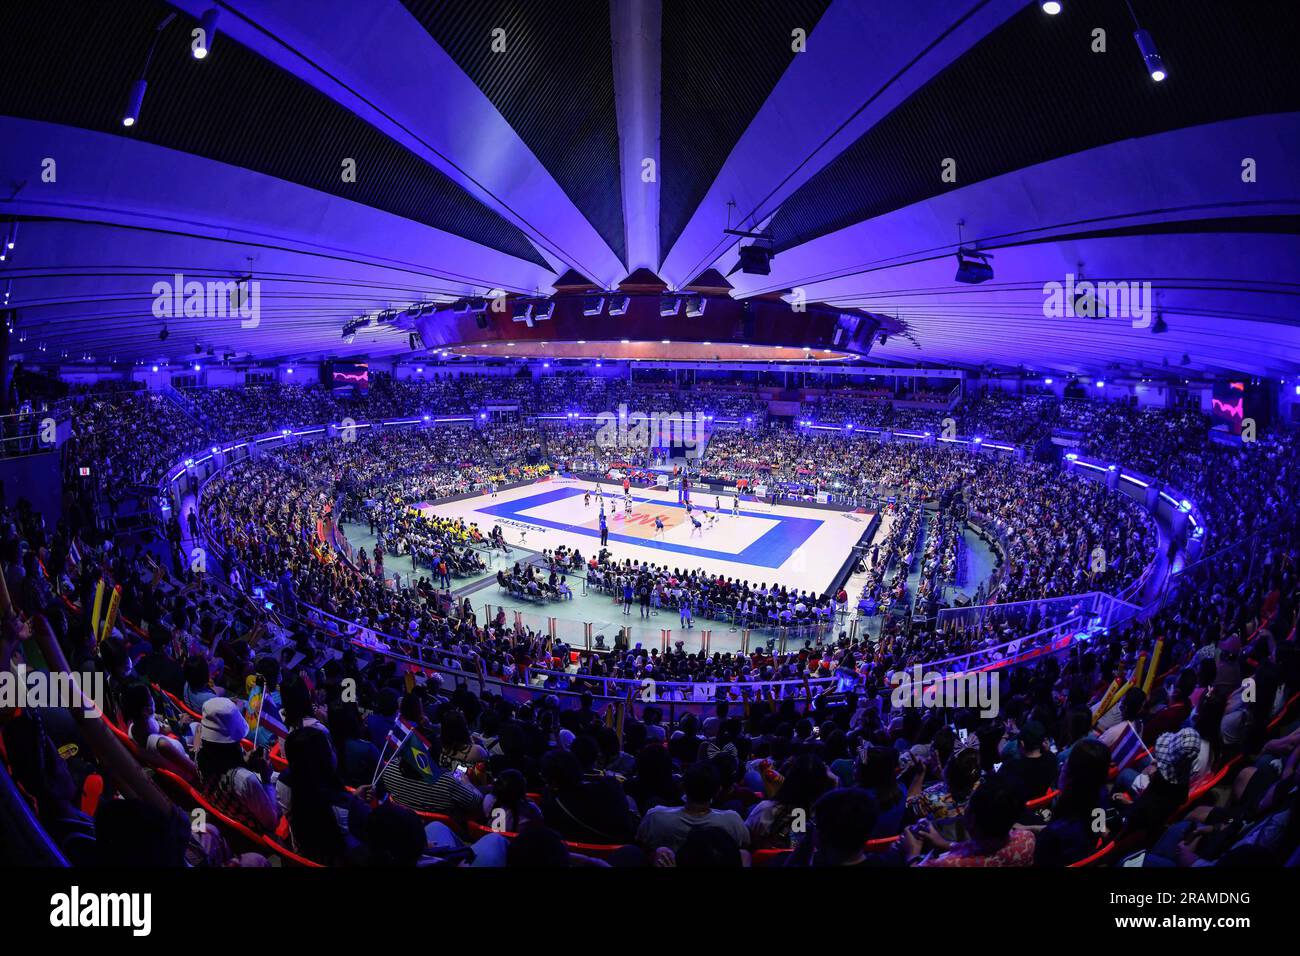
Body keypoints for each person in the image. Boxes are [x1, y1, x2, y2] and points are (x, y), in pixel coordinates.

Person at [637, 762, 749, 853]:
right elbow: (745, 846)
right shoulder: (733, 821)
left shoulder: (655, 817)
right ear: (718, 791)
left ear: (682, 787)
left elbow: (641, 844)